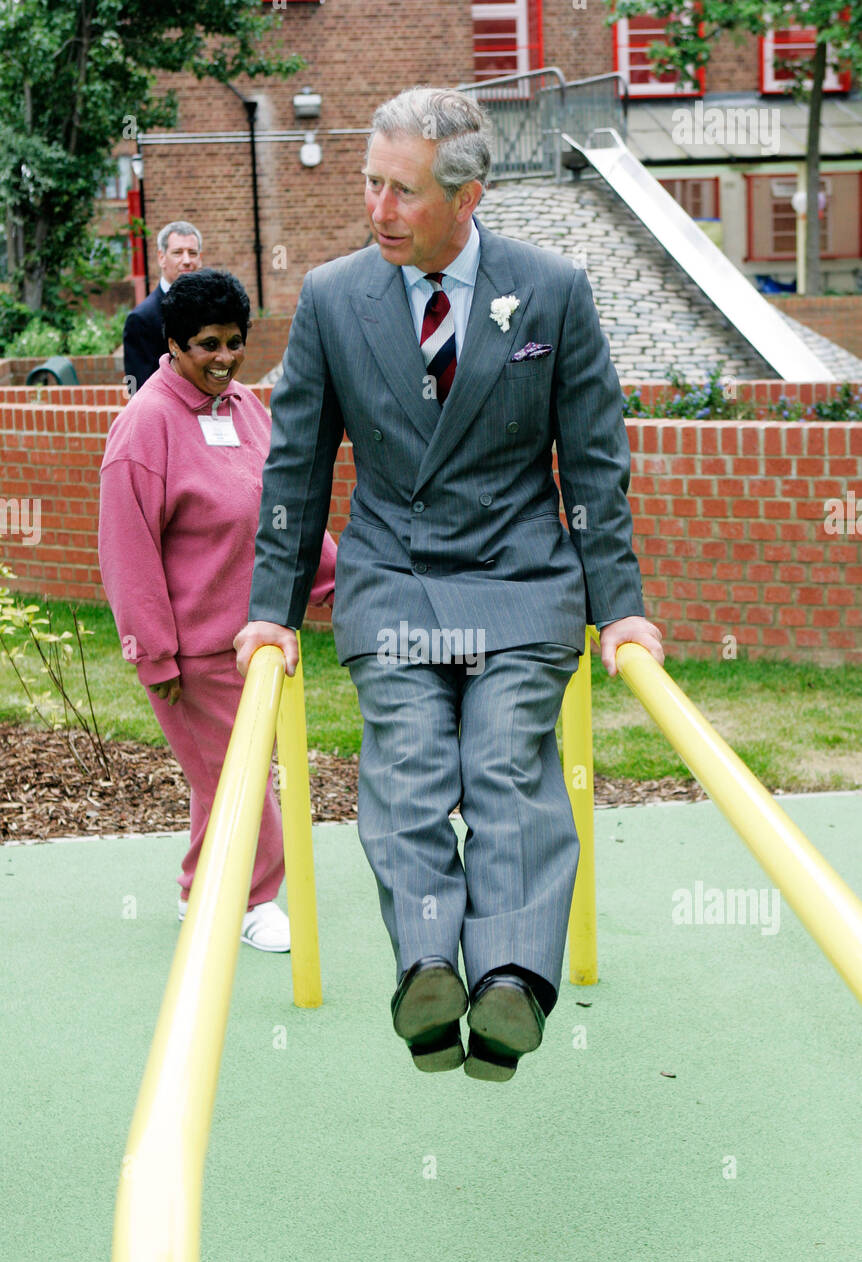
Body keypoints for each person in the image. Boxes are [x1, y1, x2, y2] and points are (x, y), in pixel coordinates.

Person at [235, 87, 663, 1072]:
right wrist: (271, 608)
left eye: (403, 191)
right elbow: (295, 463)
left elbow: (593, 465)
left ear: (467, 197)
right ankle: (429, 968)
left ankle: (508, 981)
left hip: (519, 576)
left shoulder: (548, 291)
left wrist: (622, 606)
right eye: (370, 184)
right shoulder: (335, 299)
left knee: (507, 761)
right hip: (394, 576)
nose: (377, 208)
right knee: (411, 763)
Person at [100, 268, 337, 952]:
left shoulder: (244, 409)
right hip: (195, 653)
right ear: (171, 345)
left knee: (225, 776)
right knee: (237, 778)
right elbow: (126, 550)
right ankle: (251, 899)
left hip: (257, 638)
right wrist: (154, 653)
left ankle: (202, 887)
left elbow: (281, 510)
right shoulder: (144, 428)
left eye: (235, 342)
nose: (225, 359)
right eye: (207, 345)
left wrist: (340, 577)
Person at [122, 221, 203, 391]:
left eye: (192, 253)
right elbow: (138, 390)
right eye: (178, 253)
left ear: (200, 258)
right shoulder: (141, 319)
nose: (187, 260)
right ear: (161, 258)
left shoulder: (209, 309)